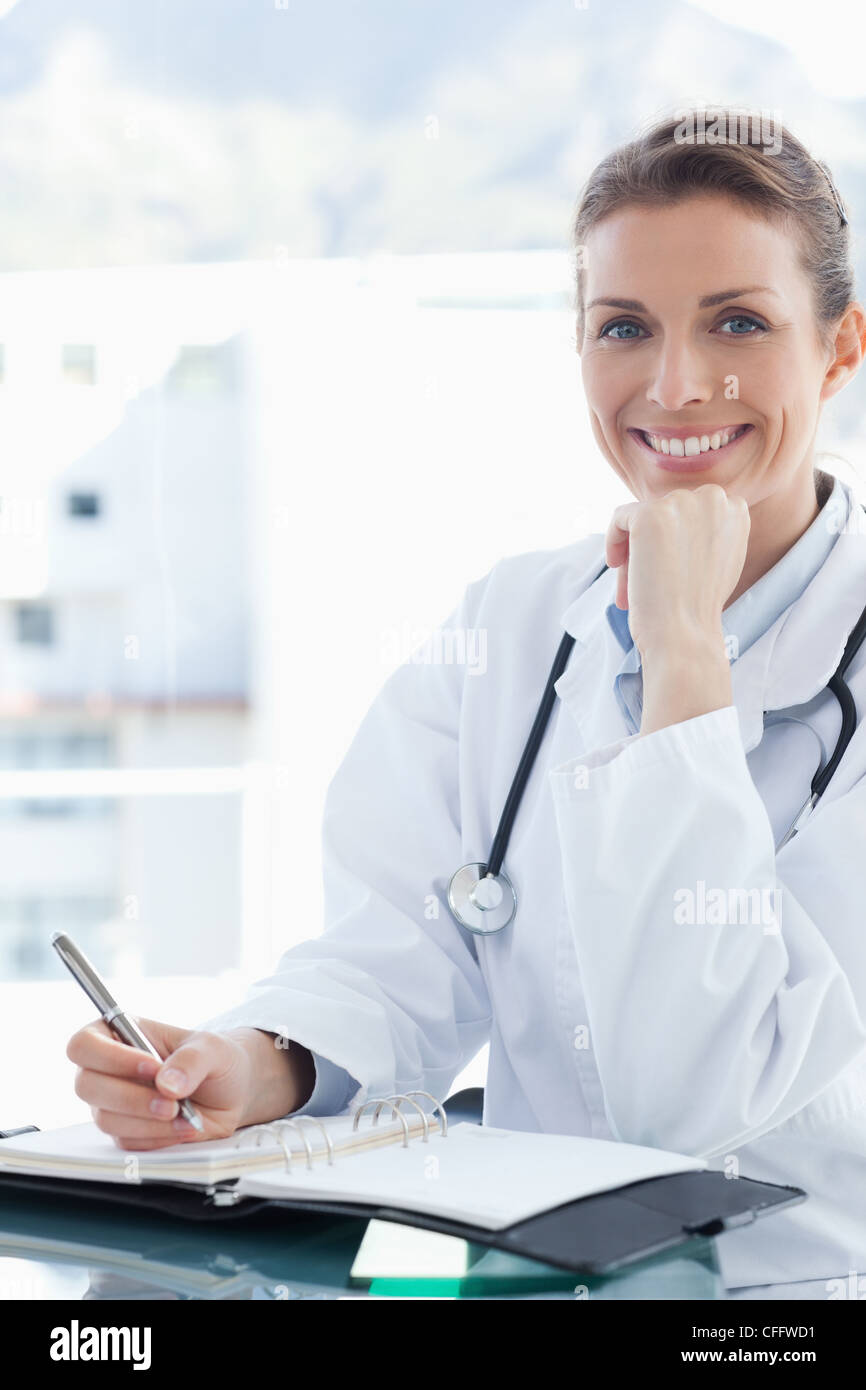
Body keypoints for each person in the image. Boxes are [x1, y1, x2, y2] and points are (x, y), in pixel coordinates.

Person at [67, 107, 866, 1296]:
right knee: (132, 1297)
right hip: (524, 1278)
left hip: (783, 1303)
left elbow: (692, 1097)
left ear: (839, 348)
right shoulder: (513, 623)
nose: (674, 384)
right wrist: (256, 1062)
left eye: (737, 322)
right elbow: (393, 952)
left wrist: (682, 655)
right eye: (622, 327)